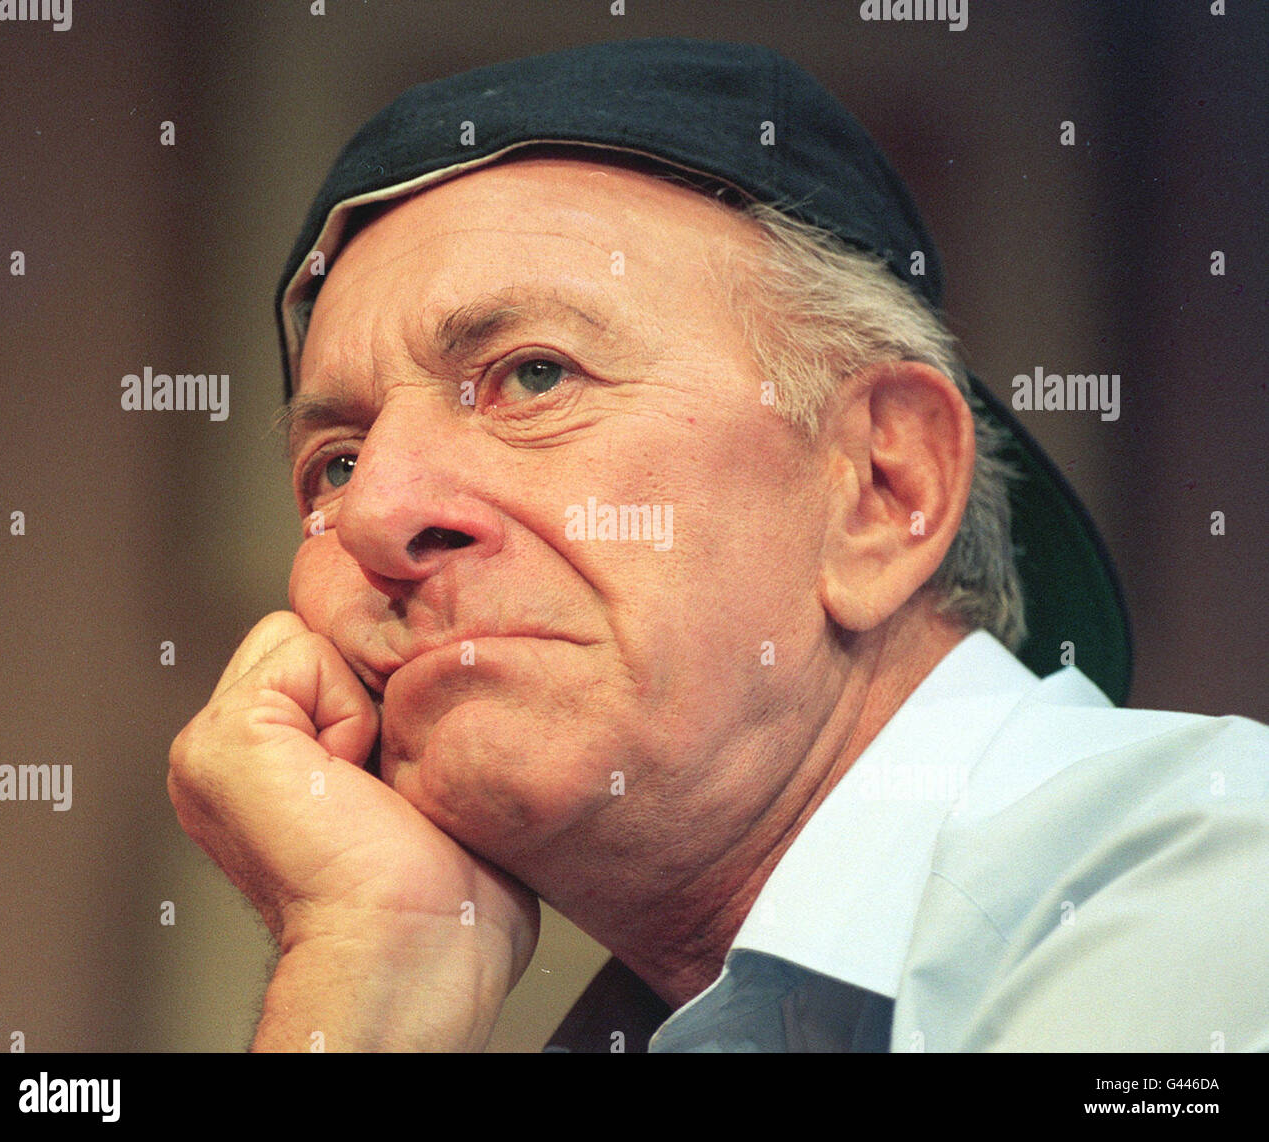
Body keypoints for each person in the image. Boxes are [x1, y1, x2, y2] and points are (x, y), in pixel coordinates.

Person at [168, 39, 1269, 1052]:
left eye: (535, 374)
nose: (372, 514)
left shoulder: (1205, 878)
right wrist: (370, 965)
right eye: (338, 461)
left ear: (882, 486)